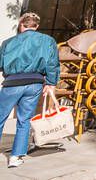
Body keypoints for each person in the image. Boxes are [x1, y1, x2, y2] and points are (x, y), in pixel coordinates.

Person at [0, 12, 59, 168]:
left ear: (21, 25)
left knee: (0, 118)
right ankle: (15, 157)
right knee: (24, 120)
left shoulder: (8, 43)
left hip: (12, 84)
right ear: (36, 26)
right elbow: (52, 64)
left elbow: (1, 64)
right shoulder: (48, 41)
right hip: (35, 84)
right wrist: (51, 83)